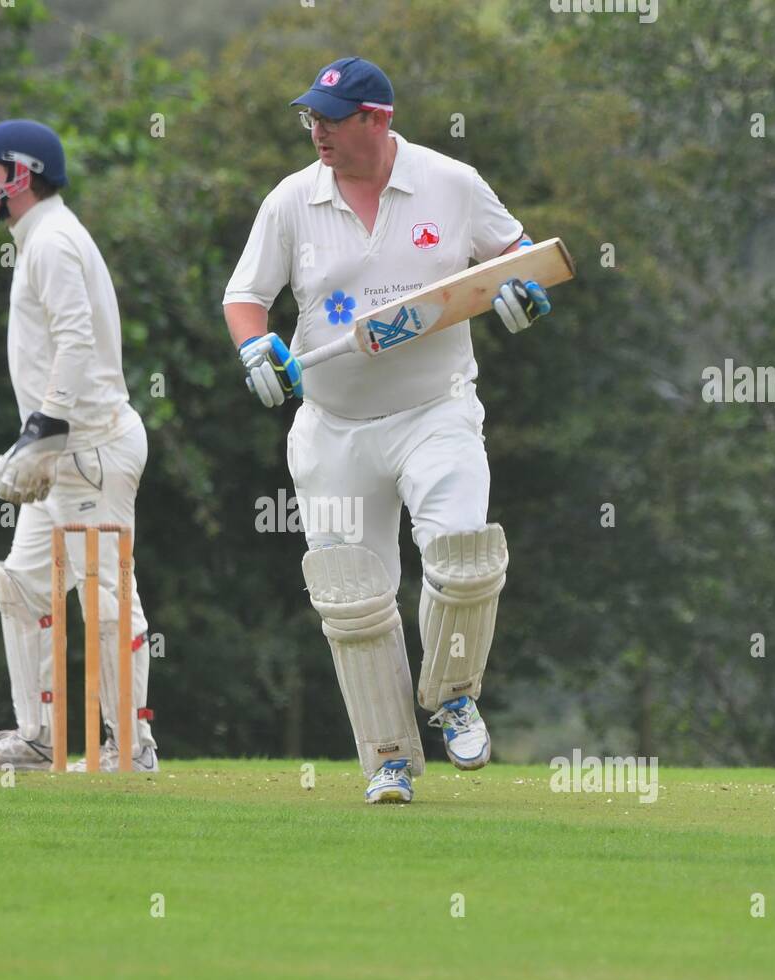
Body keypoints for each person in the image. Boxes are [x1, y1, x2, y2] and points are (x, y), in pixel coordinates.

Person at [222, 59, 553, 803]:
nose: (318, 131)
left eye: (332, 119)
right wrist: (256, 350)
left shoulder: (452, 184)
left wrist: (519, 298)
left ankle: (454, 693)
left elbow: (519, 263)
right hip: (333, 426)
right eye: (311, 118)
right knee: (353, 597)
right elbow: (246, 295)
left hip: (436, 408)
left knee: (463, 551)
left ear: (378, 118)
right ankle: (389, 759)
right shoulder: (292, 201)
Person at [0, 119, 158, 772]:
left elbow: (76, 341)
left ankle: (132, 746)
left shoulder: (52, 242)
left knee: (104, 601)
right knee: (24, 586)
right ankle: (40, 739)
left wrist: (41, 434)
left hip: (91, 452)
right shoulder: (39, 237)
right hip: (62, 456)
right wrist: (39, 444)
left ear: (21, 174)